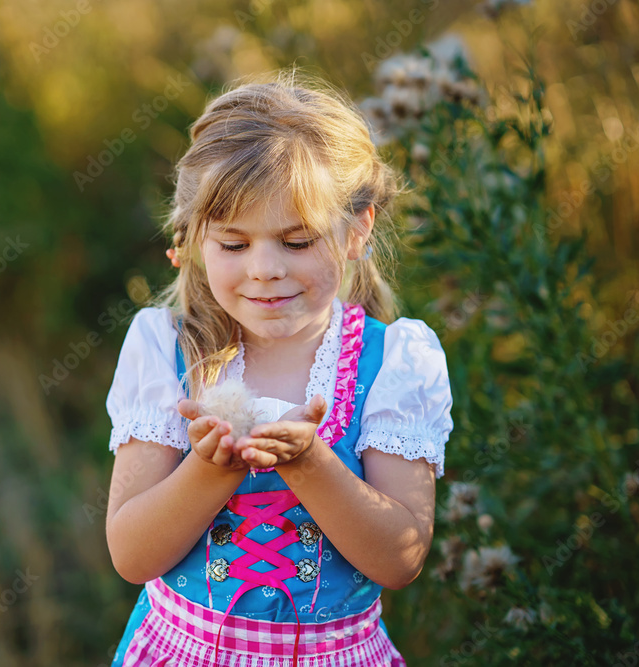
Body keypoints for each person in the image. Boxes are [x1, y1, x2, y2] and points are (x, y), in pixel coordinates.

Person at [104, 67, 454, 666]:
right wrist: (210, 471)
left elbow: (400, 558)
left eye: (296, 241)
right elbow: (133, 556)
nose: (265, 268)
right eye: (234, 245)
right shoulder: (166, 348)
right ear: (191, 240)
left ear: (356, 230)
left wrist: (310, 463)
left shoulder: (397, 362)